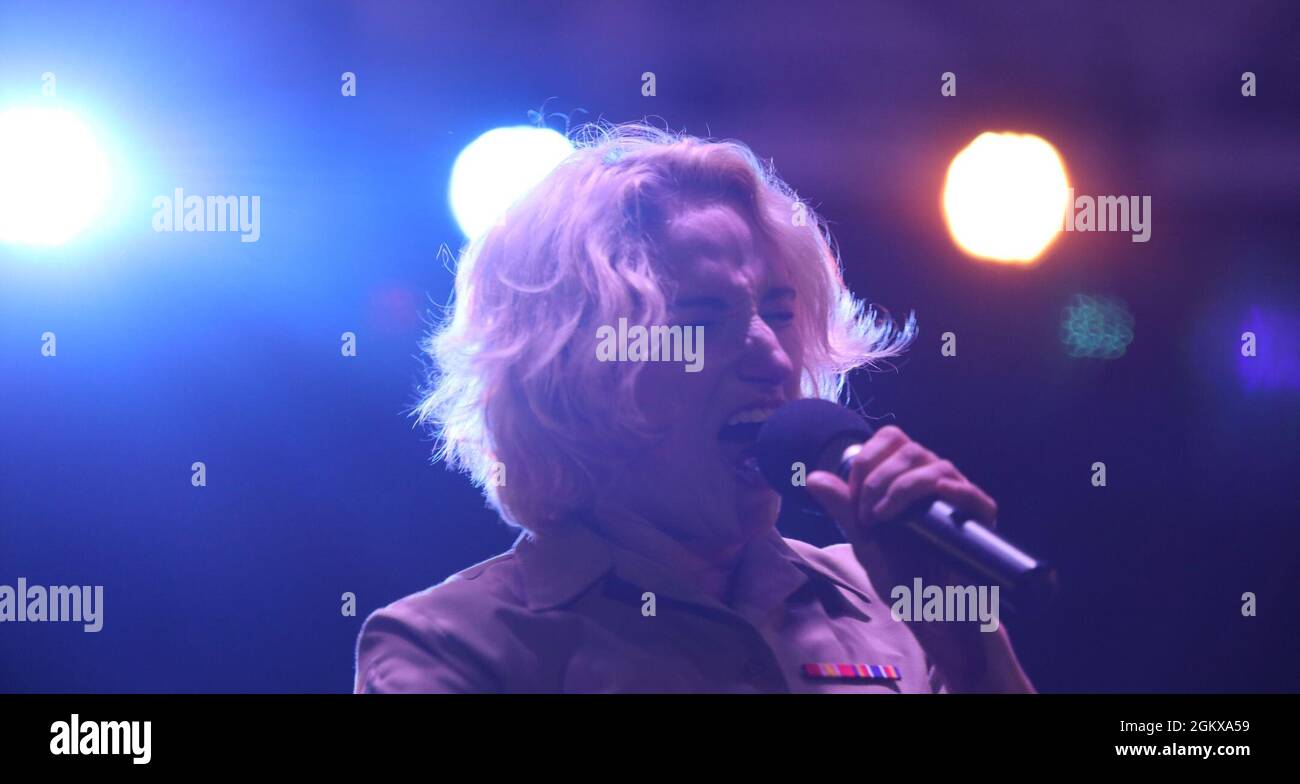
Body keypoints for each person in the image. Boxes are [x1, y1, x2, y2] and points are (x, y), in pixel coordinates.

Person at [354, 123, 1035, 693]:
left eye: (779, 312)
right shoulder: (452, 648)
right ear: (570, 372)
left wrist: (972, 652)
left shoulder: (886, 596)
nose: (771, 355)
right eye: (704, 317)